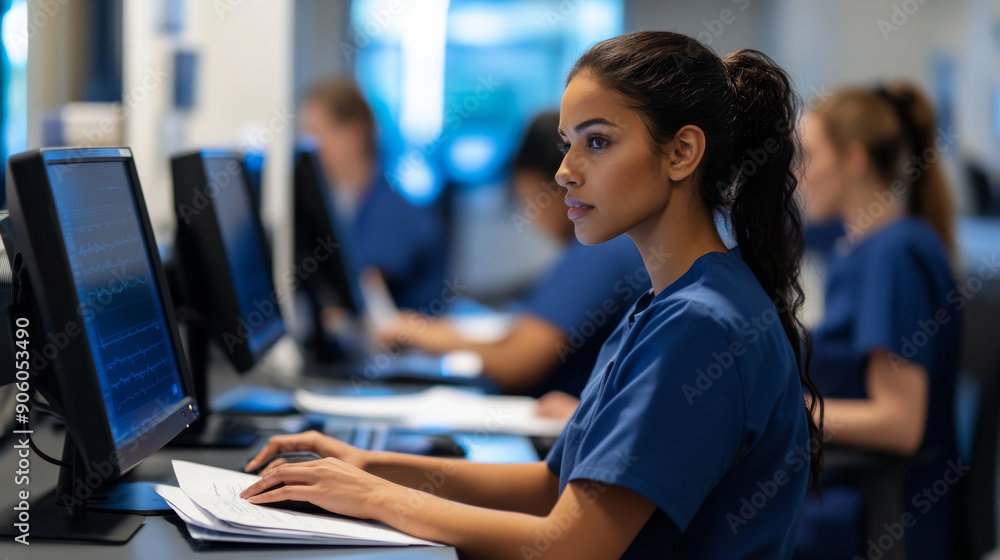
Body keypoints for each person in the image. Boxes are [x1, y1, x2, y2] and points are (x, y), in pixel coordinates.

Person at [241, 31, 822, 559]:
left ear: (681, 153)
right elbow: (552, 485)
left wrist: (374, 498)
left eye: (596, 143)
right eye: (568, 143)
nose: (565, 171)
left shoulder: (698, 325)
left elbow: (573, 545)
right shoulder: (666, 303)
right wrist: (369, 466)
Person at [794, 83, 961, 560]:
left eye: (809, 154)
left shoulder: (894, 255)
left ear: (854, 160)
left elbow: (899, 422)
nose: (800, 172)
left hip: (880, 513)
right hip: (849, 492)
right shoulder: (863, 248)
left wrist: (786, 410)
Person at [377, 111, 648, 399]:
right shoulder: (612, 244)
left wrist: (418, 333)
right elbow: (526, 337)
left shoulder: (600, 250)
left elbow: (516, 362)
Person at [300, 76, 447, 312]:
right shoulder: (352, 203)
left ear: (352, 134)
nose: (310, 149)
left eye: (316, 133)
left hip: (408, 347)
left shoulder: (391, 212)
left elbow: (363, 294)